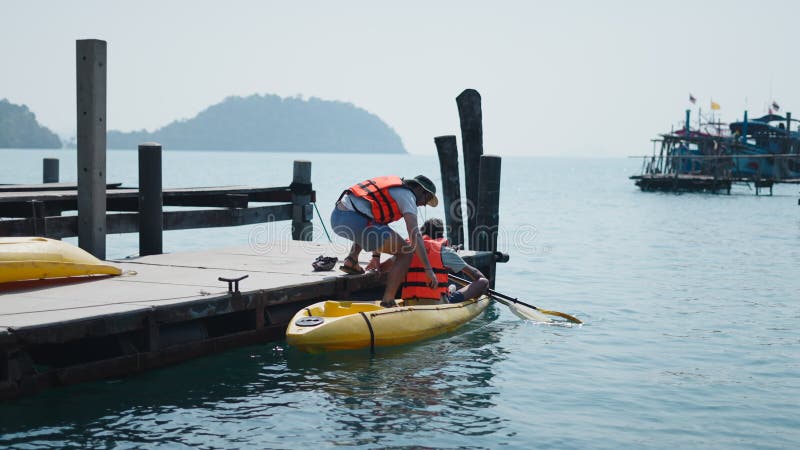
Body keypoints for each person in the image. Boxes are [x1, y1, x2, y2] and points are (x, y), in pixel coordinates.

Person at [331, 175, 440, 307]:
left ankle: (352, 260)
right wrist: (428, 270)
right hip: (356, 222)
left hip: (337, 218)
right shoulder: (408, 196)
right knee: (406, 252)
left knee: (373, 225)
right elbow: (414, 234)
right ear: (419, 189)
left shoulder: (393, 189)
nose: (423, 204)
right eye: (426, 198)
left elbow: (377, 220)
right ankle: (388, 300)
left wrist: (376, 256)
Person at [381, 218, 489, 305]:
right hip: (438, 304)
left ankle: (450, 290)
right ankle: (458, 296)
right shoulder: (445, 251)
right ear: (441, 235)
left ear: (422, 232)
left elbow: (383, 268)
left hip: (410, 302)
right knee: (483, 282)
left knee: (451, 288)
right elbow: (477, 276)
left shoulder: (407, 249)